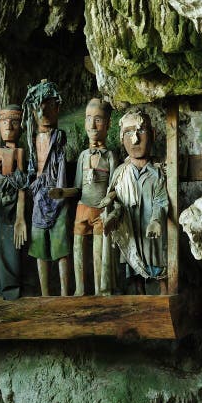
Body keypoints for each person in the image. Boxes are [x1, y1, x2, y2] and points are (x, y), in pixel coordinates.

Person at [50, 98, 117, 295]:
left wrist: (110, 197)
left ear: (108, 124)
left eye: (98, 119)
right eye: (88, 119)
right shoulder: (83, 156)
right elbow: (78, 188)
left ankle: (99, 290)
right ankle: (79, 289)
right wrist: (63, 192)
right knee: (77, 248)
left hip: (100, 212)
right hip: (82, 209)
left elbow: (115, 186)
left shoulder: (110, 157)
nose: (92, 125)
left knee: (98, 252)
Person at [102, 109, 168, 295]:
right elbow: (117, 202)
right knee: (134, 273)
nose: (135, 139)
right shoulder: (120, 173)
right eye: (128, 132)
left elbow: (161, 200)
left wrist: (156, 220)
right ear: (121, 138)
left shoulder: (159, 172)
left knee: (161, 269)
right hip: (131, 234)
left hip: (154, 237)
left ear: (152, 134)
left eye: (141, 131)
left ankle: (164, 297)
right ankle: (139, 297)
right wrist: (112, 217)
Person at [22, 80, 70, 296]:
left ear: (56, 108)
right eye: (38, 107)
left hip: (57, 190)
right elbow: (32, 166)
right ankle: (45, 294)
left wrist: (60, 190)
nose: (43, 112)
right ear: (33, 111)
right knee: (39, 245)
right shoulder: (32, 139)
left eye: (48, 106)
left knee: (61, 244)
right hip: (39, 193)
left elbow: (61, 164)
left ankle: (65, 293)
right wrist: (32, 184)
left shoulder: (59, 137)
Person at [0, 105, 28, 300]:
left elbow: (22, 186)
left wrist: (20, 217)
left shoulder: (19, 152)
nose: (9, 126)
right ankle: (3, 290)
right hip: (2, 208)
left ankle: (13, 290)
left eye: (14, 122)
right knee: (2, 249)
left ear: (21, 127)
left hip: (15, 208)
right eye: (4, 122)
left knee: (15, 249)